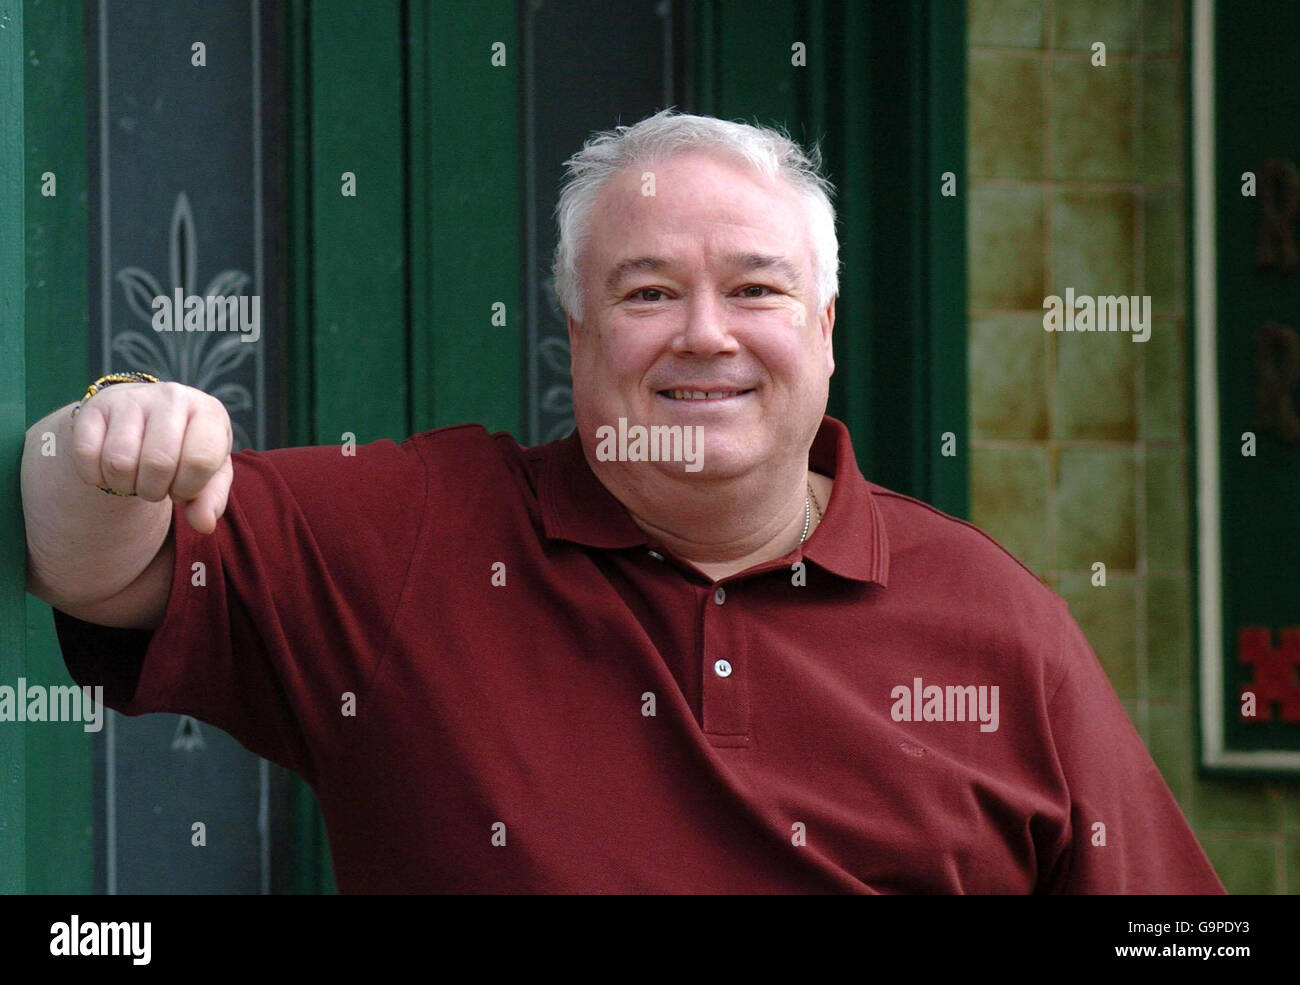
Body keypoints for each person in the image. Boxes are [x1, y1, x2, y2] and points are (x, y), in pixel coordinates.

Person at [23, 109, 1225, 893]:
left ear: (824, 332)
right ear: (578, 335)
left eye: (754, 287)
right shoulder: (416, 535)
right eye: (648, 293)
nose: (705, 335)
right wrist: (103, 442)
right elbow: (93, 567)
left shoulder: (999, 626)